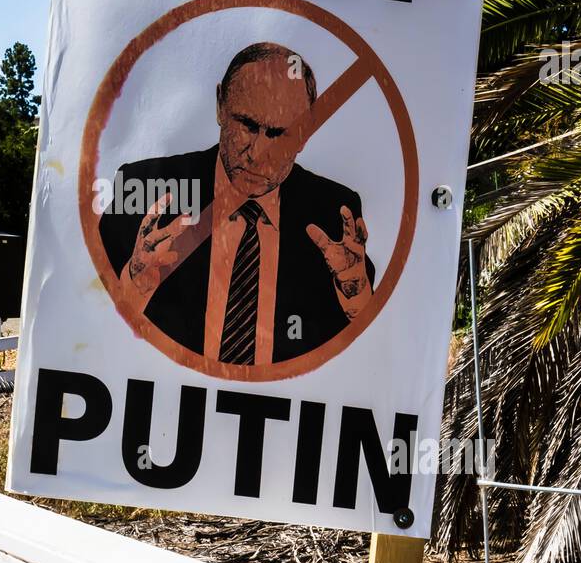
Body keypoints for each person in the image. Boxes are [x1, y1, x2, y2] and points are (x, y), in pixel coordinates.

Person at [98, 42, 374, 366]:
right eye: (247, 125)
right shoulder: (144, 190)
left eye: (279, 134)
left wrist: (356, 298)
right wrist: (133, 287)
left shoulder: (333, 213)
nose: (258, 154)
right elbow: (82, 323)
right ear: (220, 105)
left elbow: (366, 359)